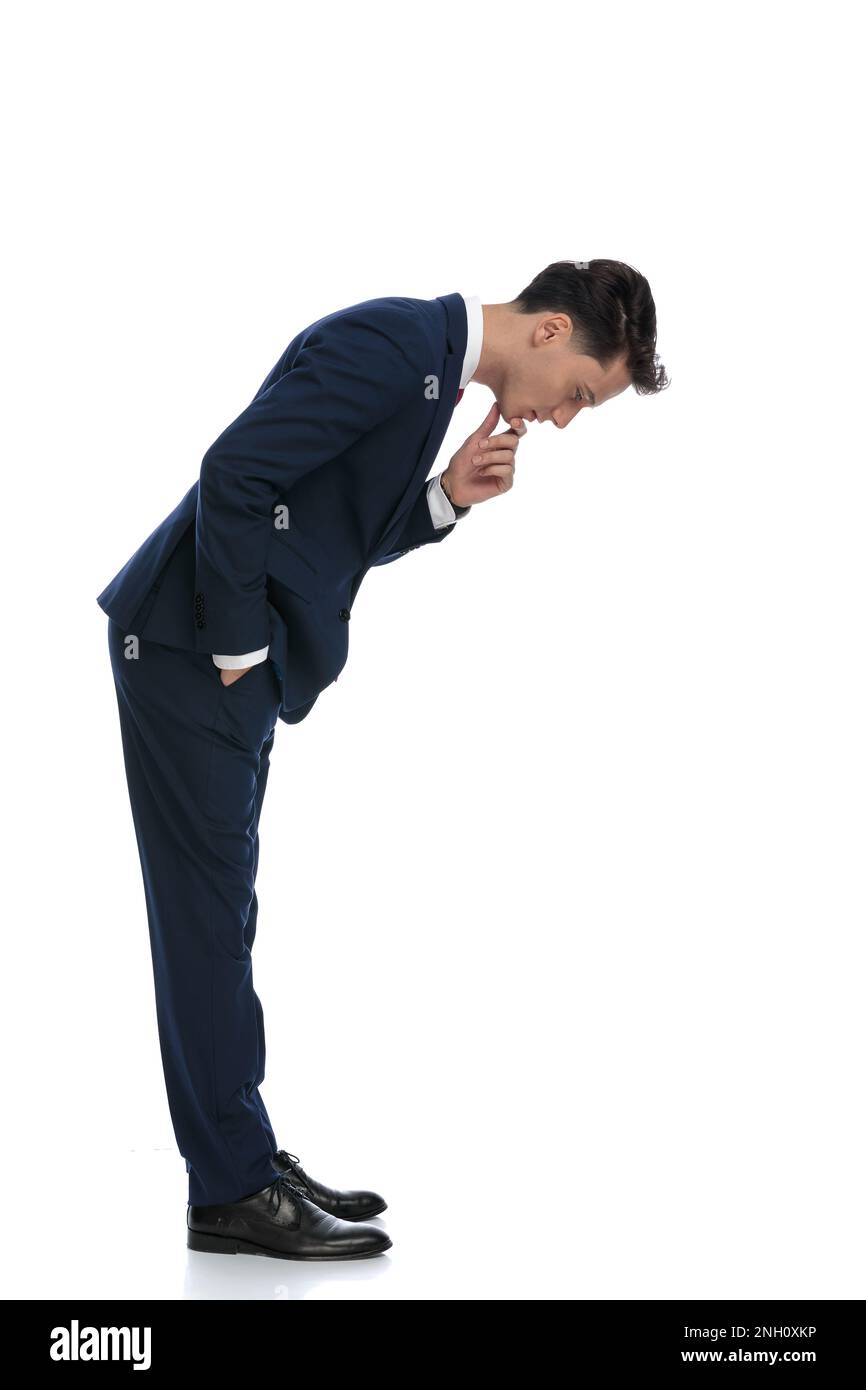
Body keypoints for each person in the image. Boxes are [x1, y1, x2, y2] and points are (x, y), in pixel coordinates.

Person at [98, 259, 669, 1262]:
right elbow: (234, 474)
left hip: (214, 658)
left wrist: (443, 498)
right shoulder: (394, 348)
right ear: (547, 332)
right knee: (205, 921)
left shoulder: (423, 368)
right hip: (193, 652)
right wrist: (240, 652)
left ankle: (245, 1159)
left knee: (224, 914)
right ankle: (229, 1187)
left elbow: (316, 530)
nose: (567, 418)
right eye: (581, 392)